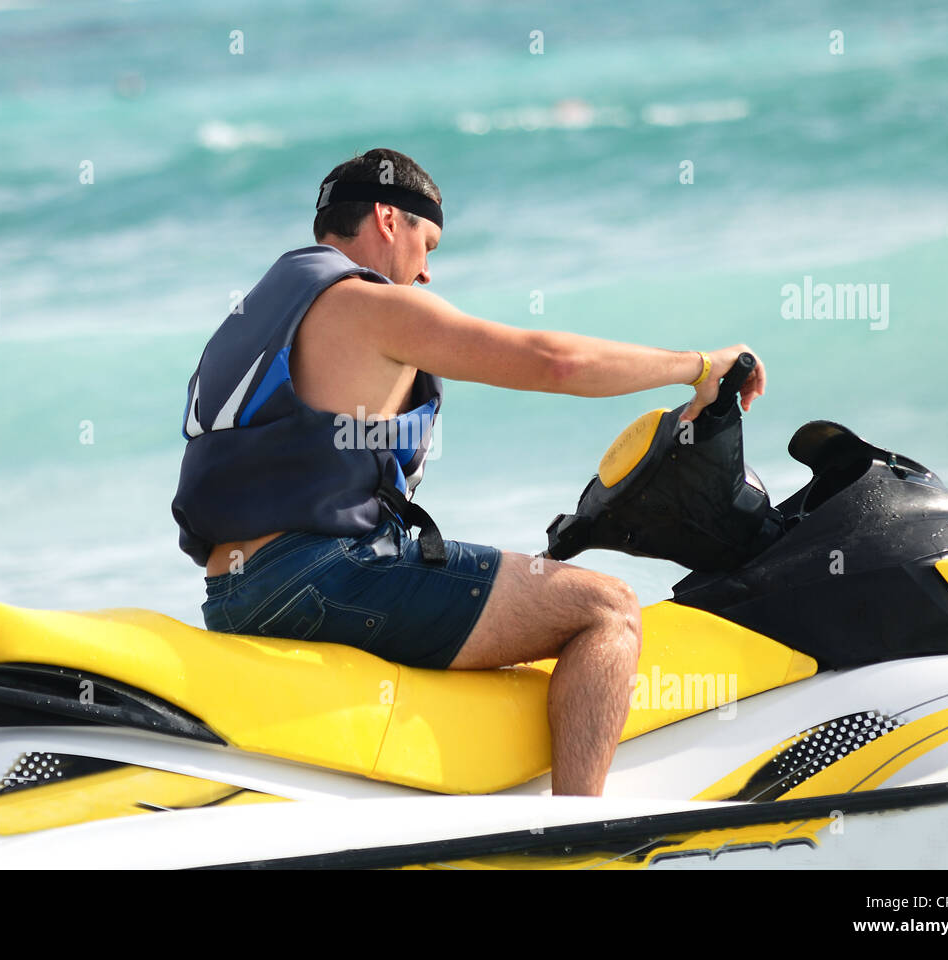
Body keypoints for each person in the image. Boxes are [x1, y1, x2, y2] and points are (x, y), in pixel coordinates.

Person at [172, 148, 766, 796]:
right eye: (427, 243)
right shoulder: (368, 306)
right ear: (387, 219)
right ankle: (579, 839)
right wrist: (702, 366)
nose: (425, 272)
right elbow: (554, 362)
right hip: (322, 575)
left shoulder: (250, 319)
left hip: (230, 596)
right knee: (608, 609)